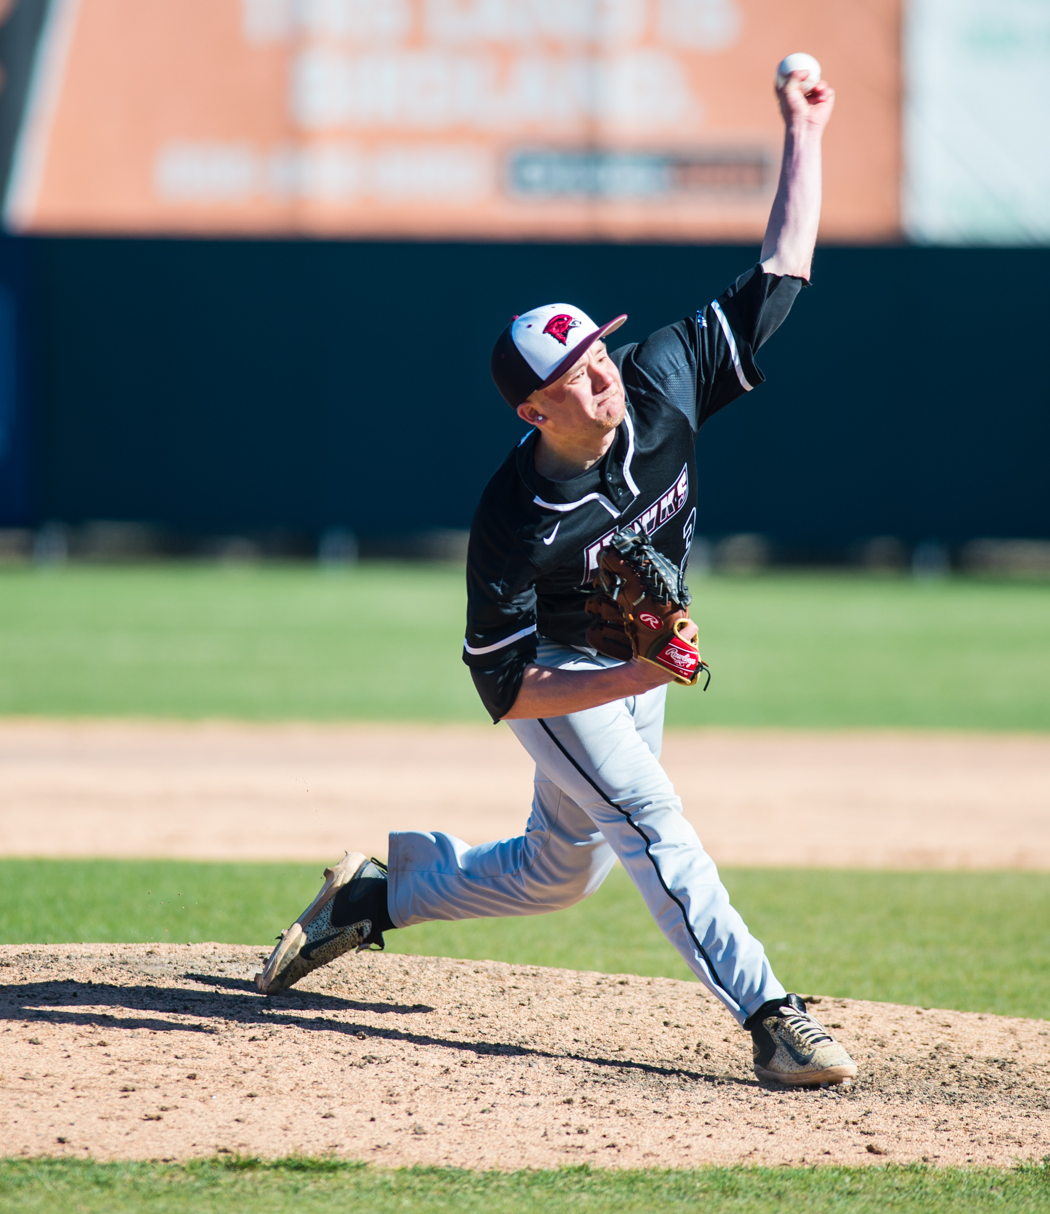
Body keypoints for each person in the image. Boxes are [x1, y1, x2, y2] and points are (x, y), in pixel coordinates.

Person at [257, 60, 854, 1088]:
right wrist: (640, 673)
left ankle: (370, 897)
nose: (602, 371)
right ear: (532, 410)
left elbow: (780, 274)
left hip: (629, 651)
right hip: (560, 674)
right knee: (648, 817)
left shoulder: (663, 383)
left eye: (600, 350)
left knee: (555, 871)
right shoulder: (512, 518)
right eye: (575, 371)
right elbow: (504, 686)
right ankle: (769, 1015)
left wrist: (802, 132)